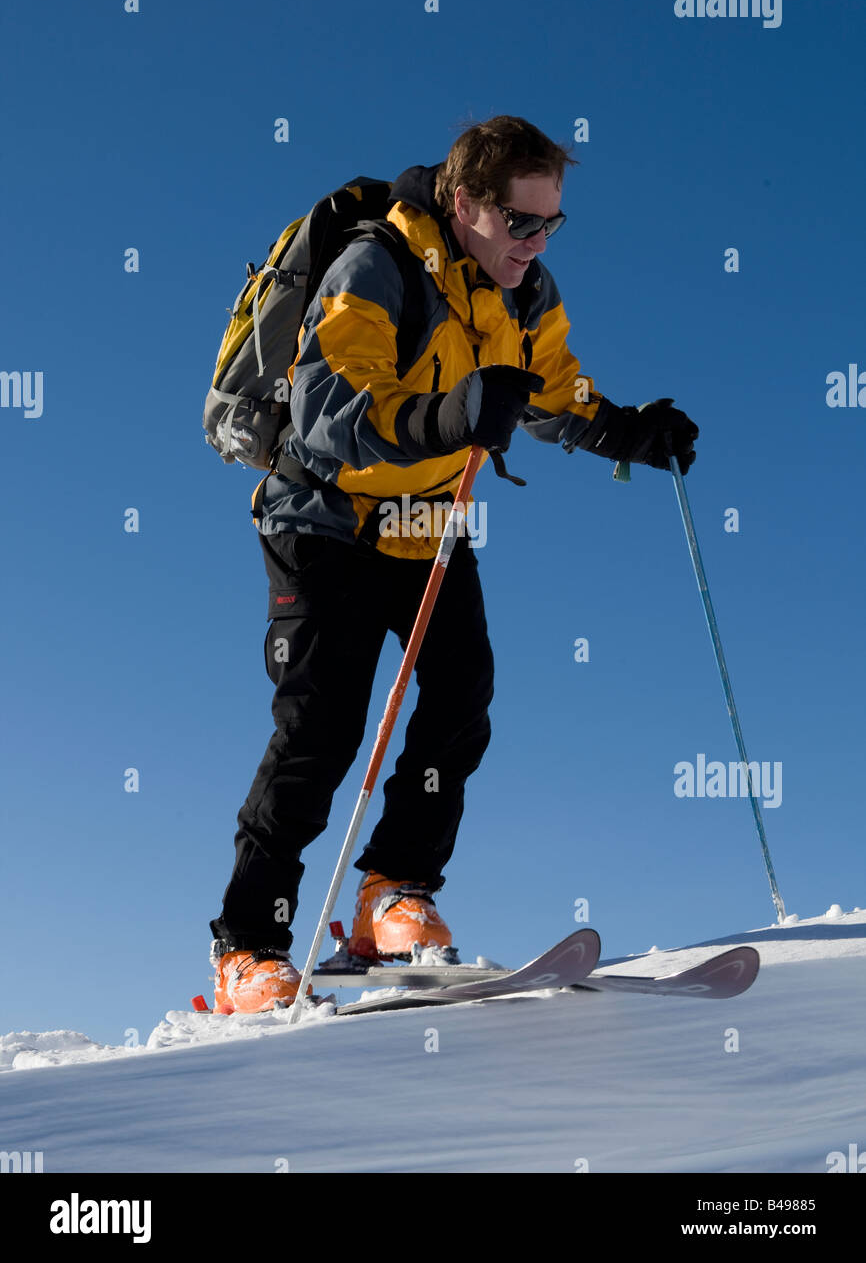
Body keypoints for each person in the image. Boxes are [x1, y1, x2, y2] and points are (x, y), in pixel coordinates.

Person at [208, 115, 698, 1013]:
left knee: (462, 694)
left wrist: (631, 431)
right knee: (322, 727)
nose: (538, 241)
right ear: (467, 203)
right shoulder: (378, 266)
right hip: (325, 516)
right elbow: (328, 410)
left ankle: (393, 891)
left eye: (553, 223)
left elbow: (549, 394)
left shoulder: (526, 291)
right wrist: (448, 415)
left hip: (427, 521)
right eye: (522, 223)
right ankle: (248, 946)